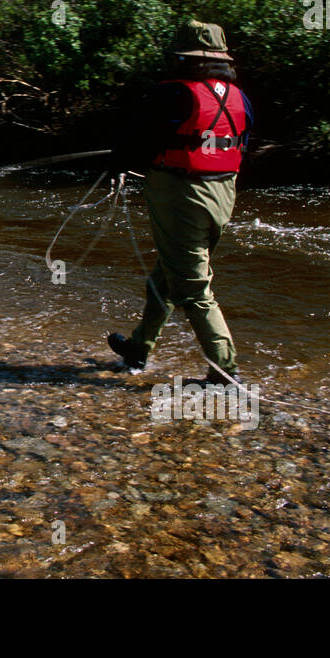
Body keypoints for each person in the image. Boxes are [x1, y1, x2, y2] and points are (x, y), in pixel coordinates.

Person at [107, 20, 253, 385]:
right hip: (223, 195)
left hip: (182, 197)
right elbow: (241, 142)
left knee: (193, 289)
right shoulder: (239, 96)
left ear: (183, 58)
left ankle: (225, 372)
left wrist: (118, 161)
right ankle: (139, 348)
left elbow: (136, 142)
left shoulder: (172, 94)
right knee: (168, 273)